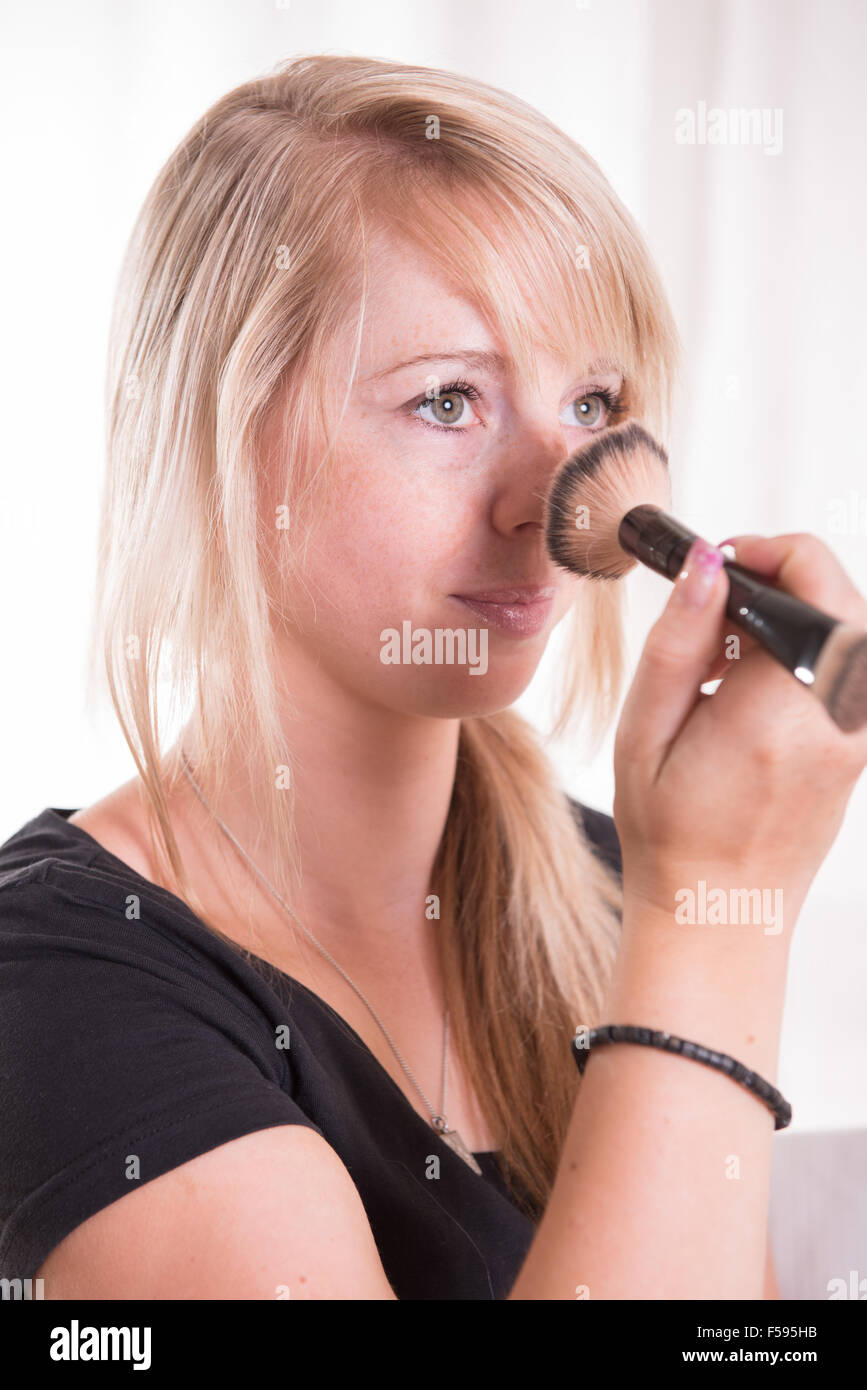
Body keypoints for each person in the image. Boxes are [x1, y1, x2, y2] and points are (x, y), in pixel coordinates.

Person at [1, 54, 864, 1300]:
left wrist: (692, 909)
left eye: (591, 401)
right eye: (448, 400)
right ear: (223, 441)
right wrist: (717, 916)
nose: (548, 501)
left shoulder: (623, 888)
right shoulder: (62, 980)